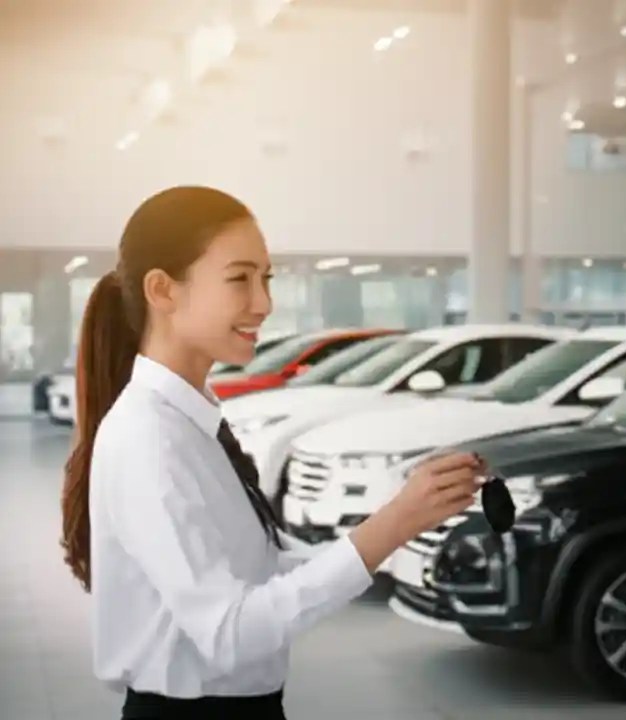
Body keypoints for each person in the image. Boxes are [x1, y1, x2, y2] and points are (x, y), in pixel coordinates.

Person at [58, 186, 486, 719]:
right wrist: (393, 525)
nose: (263, 303)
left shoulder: (191, 423)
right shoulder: (149, 437)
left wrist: (399, 524)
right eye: (240, 278)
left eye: (267, 278)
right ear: (163, 290)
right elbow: (230, 633)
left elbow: (263, 568)